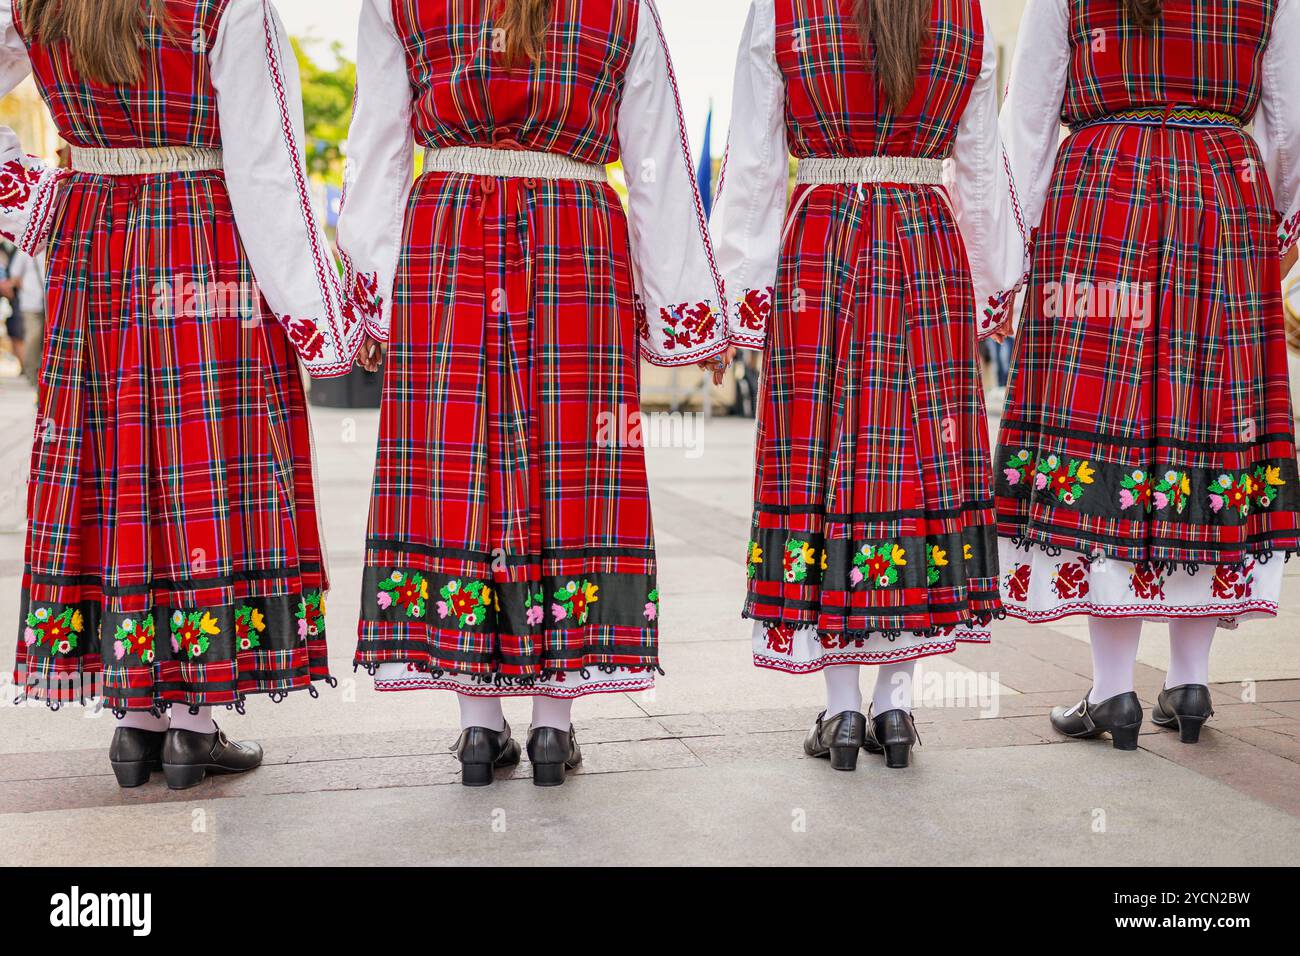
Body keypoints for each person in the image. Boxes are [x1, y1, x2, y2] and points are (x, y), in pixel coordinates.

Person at [340, 0, 727, 786]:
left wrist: (375, 290)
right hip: (575, 237)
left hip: (444, 238)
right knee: (572, 473)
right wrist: (691, 311)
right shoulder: (624, 9)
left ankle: (480, 729)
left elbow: (375, 147)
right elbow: (654, 161)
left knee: (456, 477)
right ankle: (553, 727)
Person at [3, 0, 360, 789]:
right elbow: (269, 171)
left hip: (94, 240)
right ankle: (192, 728)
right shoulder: (224, 6)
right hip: (202, 245)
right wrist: (324, 321)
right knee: (202, 474)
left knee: (117, 467)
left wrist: (30, 198)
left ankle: (135, 725)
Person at [711, 0, 1022, 770]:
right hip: (928, 244)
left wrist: (731, 292)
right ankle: (896, 707)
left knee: (823, 465)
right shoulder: (965, 15)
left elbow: (752, 163)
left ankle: (843, 711)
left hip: (823, 247)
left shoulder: (783, 10)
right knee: (915, 470)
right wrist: (997, 285)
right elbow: (981, 167)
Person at [995, 0, 1300, 748]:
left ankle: (1114, 693)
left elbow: (1030, 111)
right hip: (1223, 199)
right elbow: (1290, 118)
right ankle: (1190, 685)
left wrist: (1010, 256)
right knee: (1204, 436)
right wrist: (1278, 225)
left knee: (1111, 438)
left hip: (1102, 198)